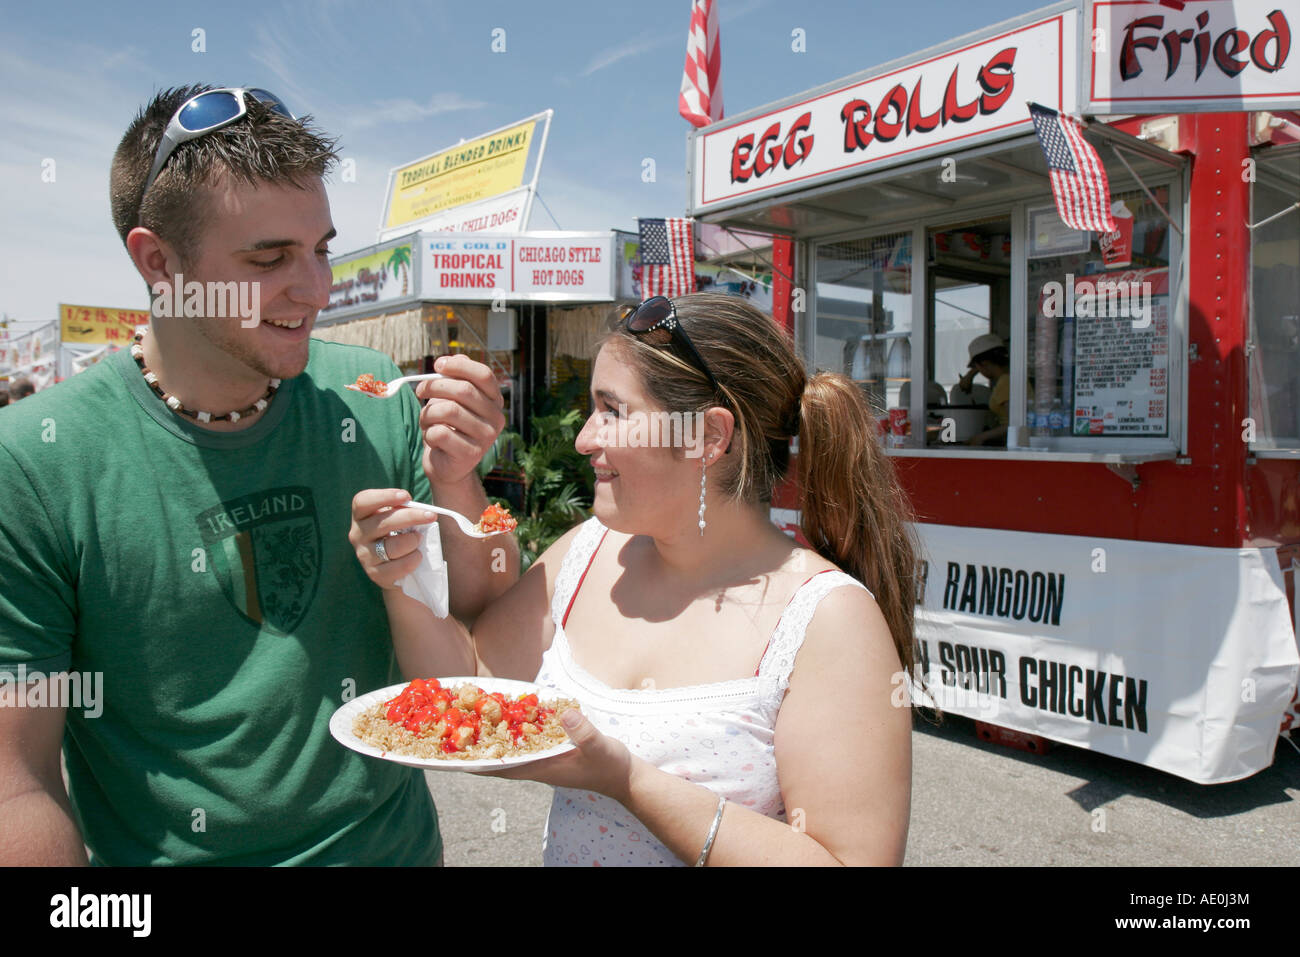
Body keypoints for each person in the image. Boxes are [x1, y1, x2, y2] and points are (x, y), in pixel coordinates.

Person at [0, 85, 516, 865]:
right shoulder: (38, 459)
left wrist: (457, 481)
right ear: (158, 261)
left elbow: (480, 607)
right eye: (269, 258)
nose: (315, 289)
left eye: (321, 249)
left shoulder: (371, 397)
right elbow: (18, 779)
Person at [352, 292, 918, 866]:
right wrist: (403, 577)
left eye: (612, 411)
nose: (584, 439)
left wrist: (628, 781)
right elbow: (472, 681)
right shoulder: (590, 553)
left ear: (707, 437)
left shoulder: (827, 619)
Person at [954, 333, 1031, 446]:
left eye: (977, 367)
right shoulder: (1012, 378)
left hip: (1015, 443)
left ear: (984, 363)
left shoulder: (1005, 382)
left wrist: (981, 437)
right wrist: (970, 375)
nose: (978, 371)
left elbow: (1016, 423)